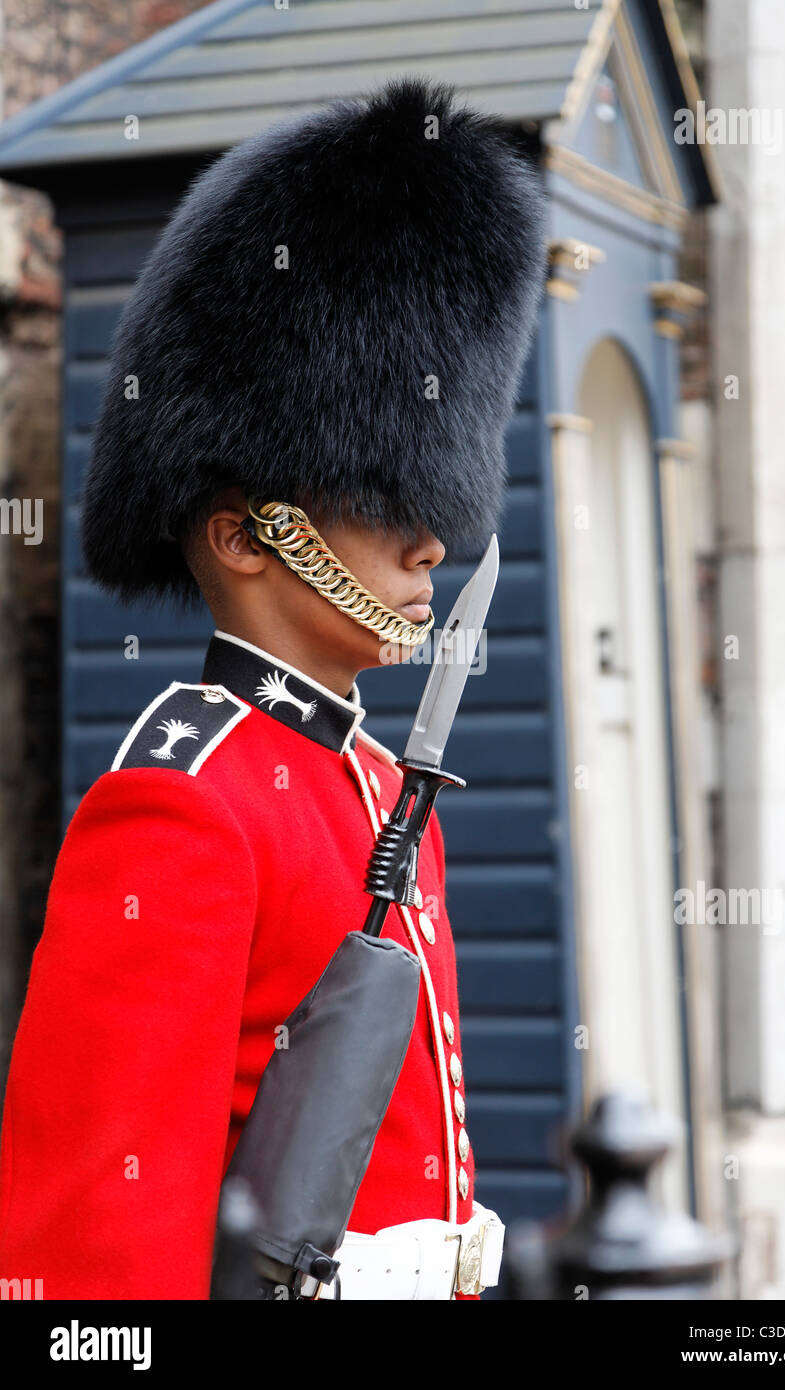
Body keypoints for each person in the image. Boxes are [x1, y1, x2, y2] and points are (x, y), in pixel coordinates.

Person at [0, 76, 546, 1300]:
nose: (429, 542)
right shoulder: (182, 806)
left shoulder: (377, 783)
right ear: (250, 537)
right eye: (384, 494)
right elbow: (98, 1246)